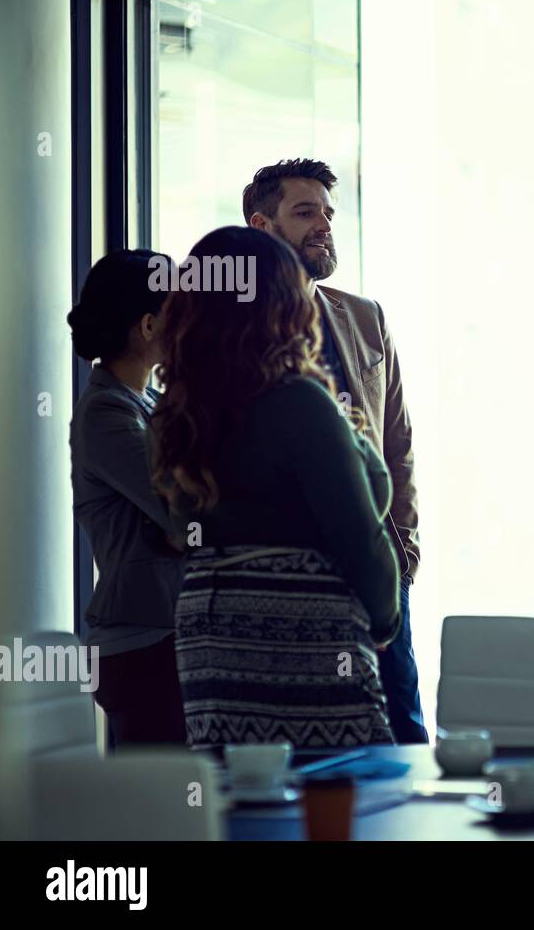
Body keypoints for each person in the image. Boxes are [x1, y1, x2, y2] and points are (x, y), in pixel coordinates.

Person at [150, 226, 402, 748]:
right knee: (345, 805)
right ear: (282, 306)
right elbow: (360, 535)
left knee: (241, 807)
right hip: (308, 632)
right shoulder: (300, 403)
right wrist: (384, 618)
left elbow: (183, 527)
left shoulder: (176, 413)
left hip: (211, 636)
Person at [242, 158, 426, 744]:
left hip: (377, 557)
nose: (323, 224)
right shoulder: (235, 329)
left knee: (403, 725)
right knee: (307, 733)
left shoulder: (366, 318)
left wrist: (407, 544)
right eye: (304, 212)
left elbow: (398, 441)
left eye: (327, 212)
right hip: (288, 575)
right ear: (262, 226)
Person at [68, 250, 186, 746]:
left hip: (168, 634)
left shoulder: (153, 402)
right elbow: (189, 514)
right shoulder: (105, 413)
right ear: (147, 325)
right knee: (160, 812)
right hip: (142, 643)